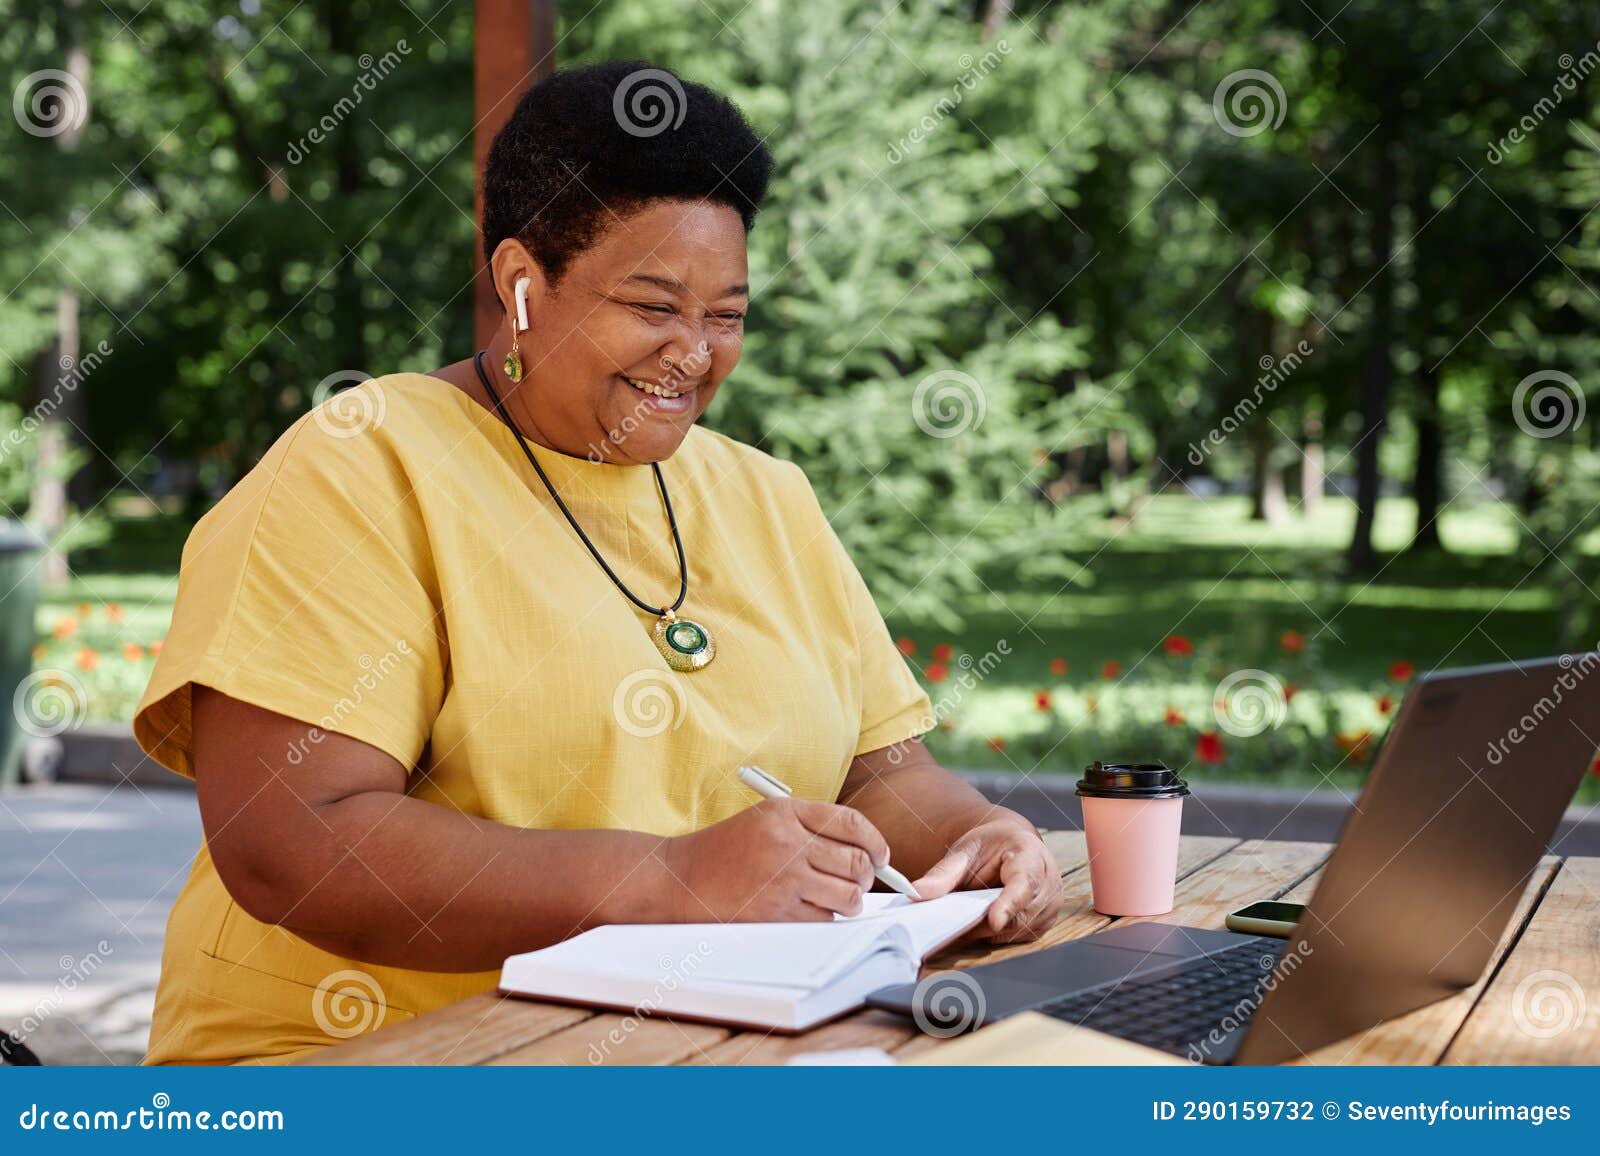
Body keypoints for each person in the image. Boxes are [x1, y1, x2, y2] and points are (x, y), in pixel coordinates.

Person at [134, 60, 1061, 1065]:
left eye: (728, 314)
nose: (695, 352)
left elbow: (879, 774)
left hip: (694, 1050)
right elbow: (296, 847)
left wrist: (977, 834)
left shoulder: (767, 495)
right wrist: (669, 878)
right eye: (654, 304)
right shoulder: (362, 465)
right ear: (521, 285)